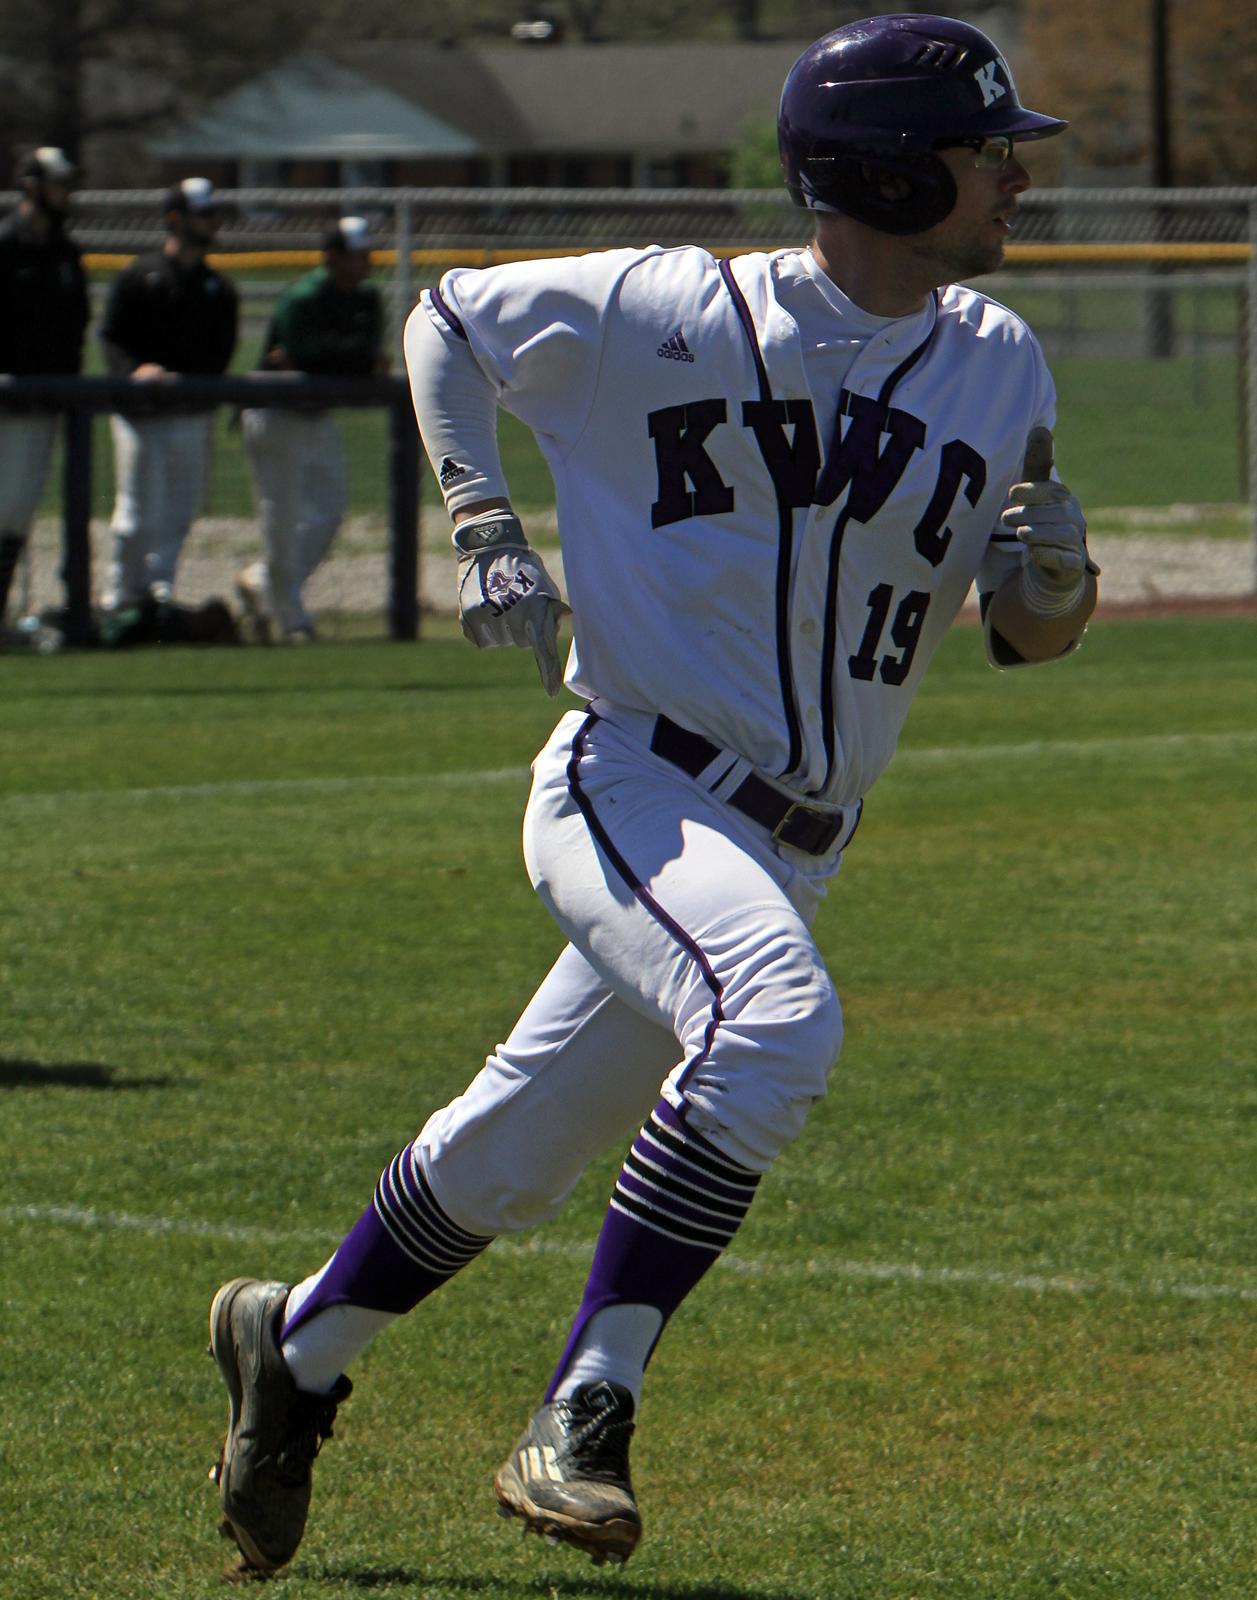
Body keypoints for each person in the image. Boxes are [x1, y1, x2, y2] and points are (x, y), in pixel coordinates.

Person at [207, 14, 1099, 1580]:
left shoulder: (998, 358)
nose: (1015, 177)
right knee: (775, 1025)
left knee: (507, 1154)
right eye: (983, 151)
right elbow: (447, 318)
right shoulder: (668, 306)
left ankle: (293, 1352)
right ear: (890, 171)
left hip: (796, 842)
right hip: (634, 778)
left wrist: (1060, 576)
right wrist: (483, 518)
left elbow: (1028, 638)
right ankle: (587, 1406)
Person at [236, 216, 384, 643]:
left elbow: (363, 356)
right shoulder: (304, 297)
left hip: (316, 413)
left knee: (329, 511)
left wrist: (338, 358)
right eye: (356, 254)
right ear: (332, 256)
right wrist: (347, 359)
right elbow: (306, 355)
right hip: (275, 413)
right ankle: (291, 617)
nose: (364, 262)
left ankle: (263, 582)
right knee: (281, 516)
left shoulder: (367, 298)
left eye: (366, 254)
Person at [97, 177, 237, 612]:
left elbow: (220, 353)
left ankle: (159, 597)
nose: (211, 222)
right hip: (140, 414)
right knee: (136, 515)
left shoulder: (217, 288)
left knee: (178, 513)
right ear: (175, 218)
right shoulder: (138, 276)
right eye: (202, 214)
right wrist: (133, 371)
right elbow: (111, 336)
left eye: (213, 214)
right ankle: (121, 597)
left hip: (190, 414)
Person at [0, 147, 90, 628]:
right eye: (58, 184)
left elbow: (77, 322)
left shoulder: (65, 252)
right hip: (6, 397)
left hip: (42, 401)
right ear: (32, 187)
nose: (65, 194)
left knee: (16, 513)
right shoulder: (6, 244)